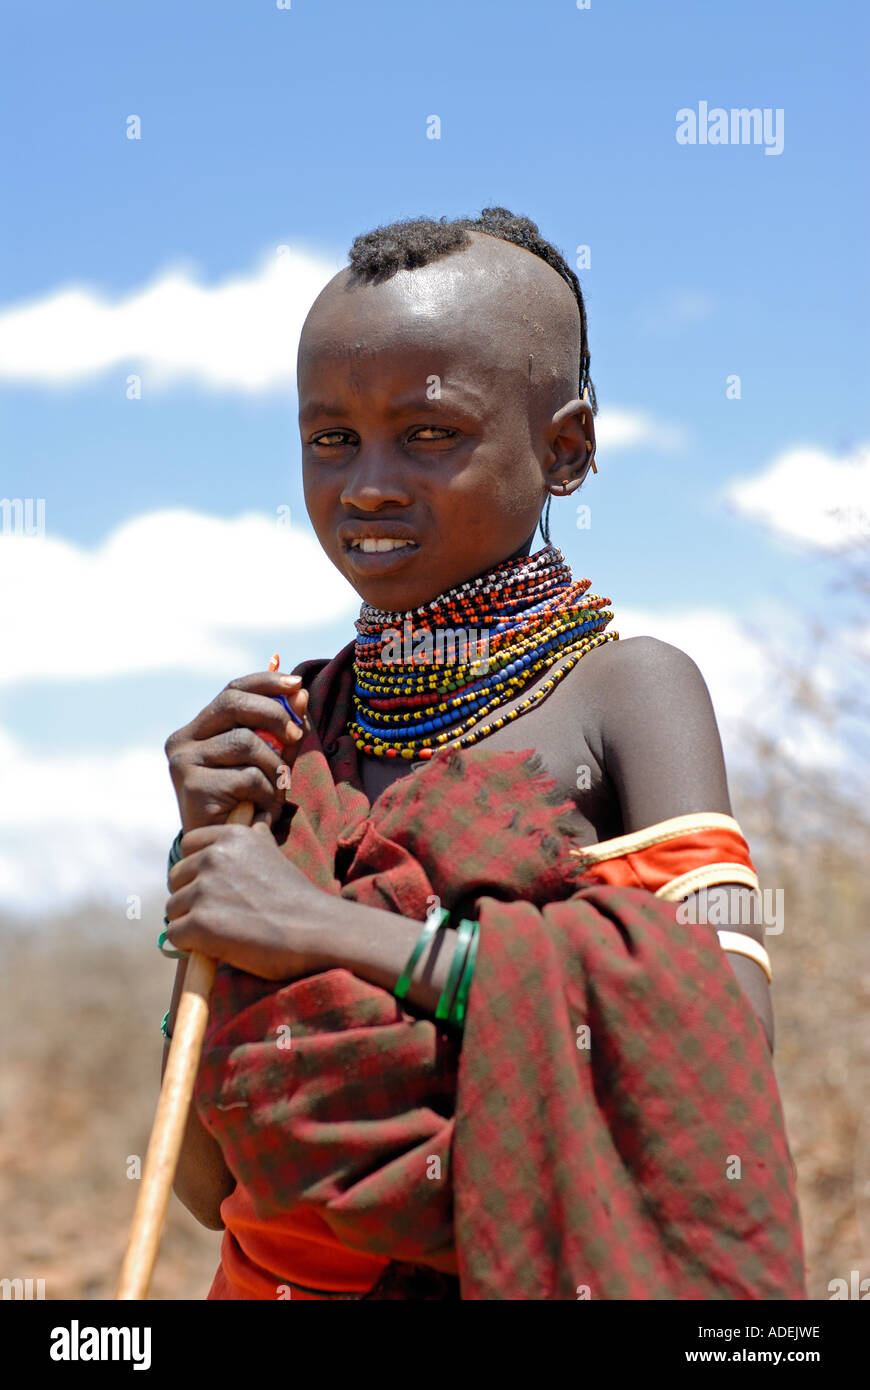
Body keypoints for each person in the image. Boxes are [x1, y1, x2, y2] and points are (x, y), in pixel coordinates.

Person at [160, 207, 805, 1300]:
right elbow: (212, 1181)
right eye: (331, 437)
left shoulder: (626, 692)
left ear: (568, 450)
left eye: (428, 434)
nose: (366, 483)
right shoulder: (288, 735)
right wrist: (205, 864)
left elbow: (721, 1037)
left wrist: (324, 928)